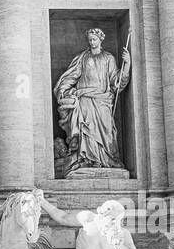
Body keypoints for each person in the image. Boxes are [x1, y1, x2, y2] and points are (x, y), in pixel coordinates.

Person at [54, 27, 130, 172]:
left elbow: (116, 81)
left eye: (94, 39)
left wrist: (127, 64)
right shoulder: (83, 58)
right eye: (89, 40)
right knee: (86, 129)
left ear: (101, 40)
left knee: (106, 131)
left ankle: (105, 159)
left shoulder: (108, 58)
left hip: (102, 100)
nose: (91, 42)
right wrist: (63, 89)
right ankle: (86, 159)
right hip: (85, 99)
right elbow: (72, 76)